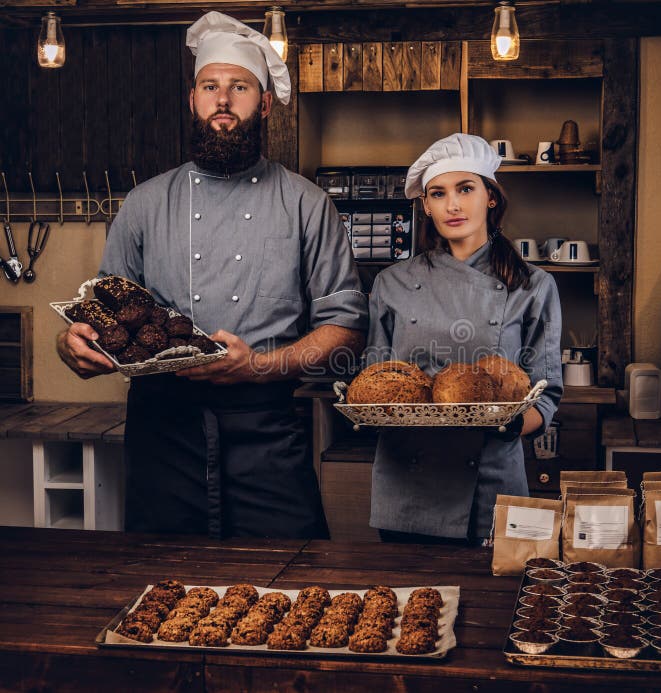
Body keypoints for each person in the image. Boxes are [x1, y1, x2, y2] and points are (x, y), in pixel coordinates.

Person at [56, 11, 368, 539]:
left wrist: (261, 366)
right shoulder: (145, 204)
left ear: (264, 103)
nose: (223, 101)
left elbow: (347, 333)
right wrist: (75, 346)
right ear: (193, 98)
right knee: (163, 595)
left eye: (239, 87)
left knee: (291, 588)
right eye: (210, 86)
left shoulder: (306, 205)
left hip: (267, 433)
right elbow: (107, 321)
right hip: (163, 433)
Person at [365, 133, 563, 544]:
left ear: (490, 197)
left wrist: (508, 426)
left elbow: (546, 394)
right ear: (426, 205)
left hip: (491, 482)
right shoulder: (392, 284)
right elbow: (374, 383)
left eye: (465, 189)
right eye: (438, 193)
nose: (452, 205)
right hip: (409, 482)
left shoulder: (533, 287)